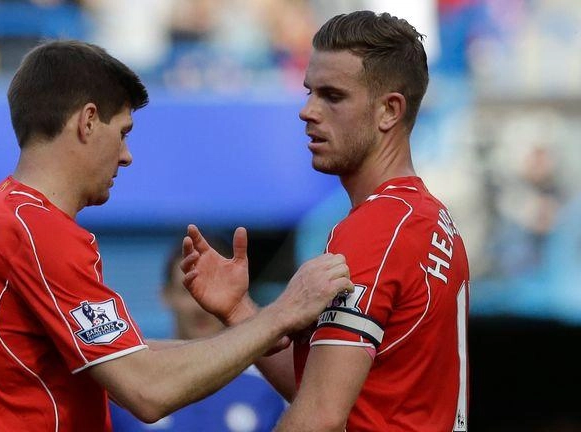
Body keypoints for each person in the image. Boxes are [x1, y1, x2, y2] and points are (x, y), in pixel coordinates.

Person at [0, 40, 354, 431]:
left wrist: (245, 321)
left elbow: (106, 358)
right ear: (87, 121)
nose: (126, 156)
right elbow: (145, 389)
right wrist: (283, 313)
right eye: (122, 133)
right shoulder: (39, 231)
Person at [181, 10, 470, 431]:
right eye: (309, 91)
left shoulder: (377, 229)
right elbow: (328, 391)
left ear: (389, 111)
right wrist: (239, 310)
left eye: (332, 96)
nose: (307, 111)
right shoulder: (427, 218)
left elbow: (319, 417)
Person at [110, 235, 287, 431]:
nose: (200, 306)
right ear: (165, 294)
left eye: (214, 290)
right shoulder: (127, 379)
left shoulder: (272, 382)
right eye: (188, 290)